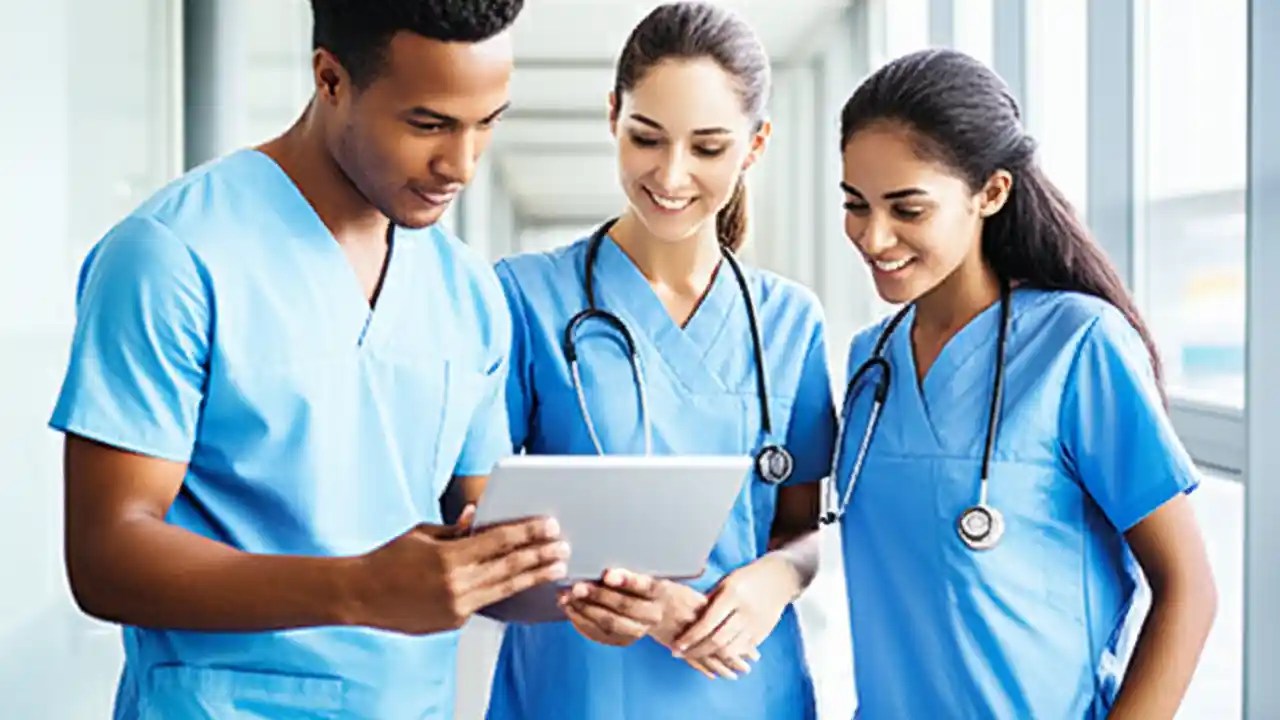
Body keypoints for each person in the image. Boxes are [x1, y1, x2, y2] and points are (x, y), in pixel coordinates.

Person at [46, 2, 598, 718]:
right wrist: (359, 588)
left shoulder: (466, 290)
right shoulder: (171, 257)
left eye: (487, 123)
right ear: (330, 79)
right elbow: (106, 557)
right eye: (428, 124)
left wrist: (587, 589)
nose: (460, 164)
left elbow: (476, 540)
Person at [829, 48, 1218, 719]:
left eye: (908, 209)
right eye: (856, 205)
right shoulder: (873, 362)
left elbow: (1188, 588)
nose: (873, 236)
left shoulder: (1077, 345)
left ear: (991, 193)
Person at [482, 3, 837, 719]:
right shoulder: (525, 299)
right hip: (576, 692)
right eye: (647, 137)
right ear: (613, 115)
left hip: (744, 690)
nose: (672, 174)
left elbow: (801, 528)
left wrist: (776, 579)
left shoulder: (788, 321)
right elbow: (475, 534)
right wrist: (624, 600)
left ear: (755, 145)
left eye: (708, 148)